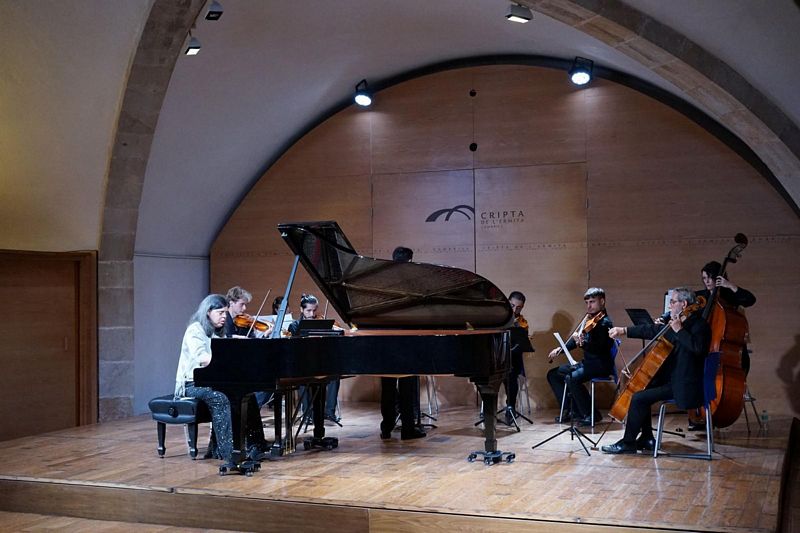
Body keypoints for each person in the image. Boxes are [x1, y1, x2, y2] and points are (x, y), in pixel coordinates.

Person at [601, 287, 710, 454]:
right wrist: (623, 330)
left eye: (672, 302)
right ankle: (646, 437)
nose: (670, 307)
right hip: (674, 379)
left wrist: (679, 330)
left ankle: (628, 443)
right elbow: (653, 330)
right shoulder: (680, 322)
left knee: (638, 398)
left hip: (686, 385)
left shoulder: (699, 325)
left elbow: (698, 349)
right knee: (643, 388)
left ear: (684, 303)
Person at [174, 294, 267, 467]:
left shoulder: (216, 332)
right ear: (208, 312)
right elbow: (202, 358)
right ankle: (229, 451)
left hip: (210, 380)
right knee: (220, 398)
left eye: (225, 313)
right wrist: (227, 363)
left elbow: (223, 352)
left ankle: (256, 446)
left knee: (248, 395)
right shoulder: (195, 330)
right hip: (191, 384)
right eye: (221, 313)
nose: (225, 316)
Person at [546, 288, 615, 426]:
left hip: (600, 365)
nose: (589, 306)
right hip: (588, 363)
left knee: (572, 379)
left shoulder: (604, 323)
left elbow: (598, 348)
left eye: (592, 302)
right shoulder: (590, 319)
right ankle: (570, 410)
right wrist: (561, 349)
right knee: (553, 374)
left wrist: (582, 344)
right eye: (587, 302)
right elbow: (575, 339)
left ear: (602, 301)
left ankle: (591, 414)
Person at [380, 246, 426, 440]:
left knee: (388, 388)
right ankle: (408, 428)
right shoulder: (412, 284)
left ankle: (387, 428)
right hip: (406, 340)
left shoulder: (383, 282)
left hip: (385, 341)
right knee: (407, 388)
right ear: (409, 261)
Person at [696, 260, 756, 374]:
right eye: (704, 278)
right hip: (708, 349)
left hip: (728, 351)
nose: (707, 281)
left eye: (710, 277)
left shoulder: (729, 296)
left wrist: (729, 285)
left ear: (719, 278)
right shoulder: (701, 297)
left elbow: (750, 300)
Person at [290, 294, 341, 422]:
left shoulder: (321, 323)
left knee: (335, 375)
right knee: (302, 378)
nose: (312, 314)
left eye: (314, 310)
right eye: (308, 310)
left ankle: (329, 412)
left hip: (320, 363)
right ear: (302, 310)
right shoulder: (295, 325)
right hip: (303, 364)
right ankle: (308, 414)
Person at [502, 291, 531, 425]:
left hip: (513, 359)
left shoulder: (523, 323)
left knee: (511, 376)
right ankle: (487, 408)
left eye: (518, 308)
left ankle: (511, 407)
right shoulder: (499, 317)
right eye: (512, 305)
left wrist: (515, 325)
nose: (514, 310)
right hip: (497, 357)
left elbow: (521, 344)